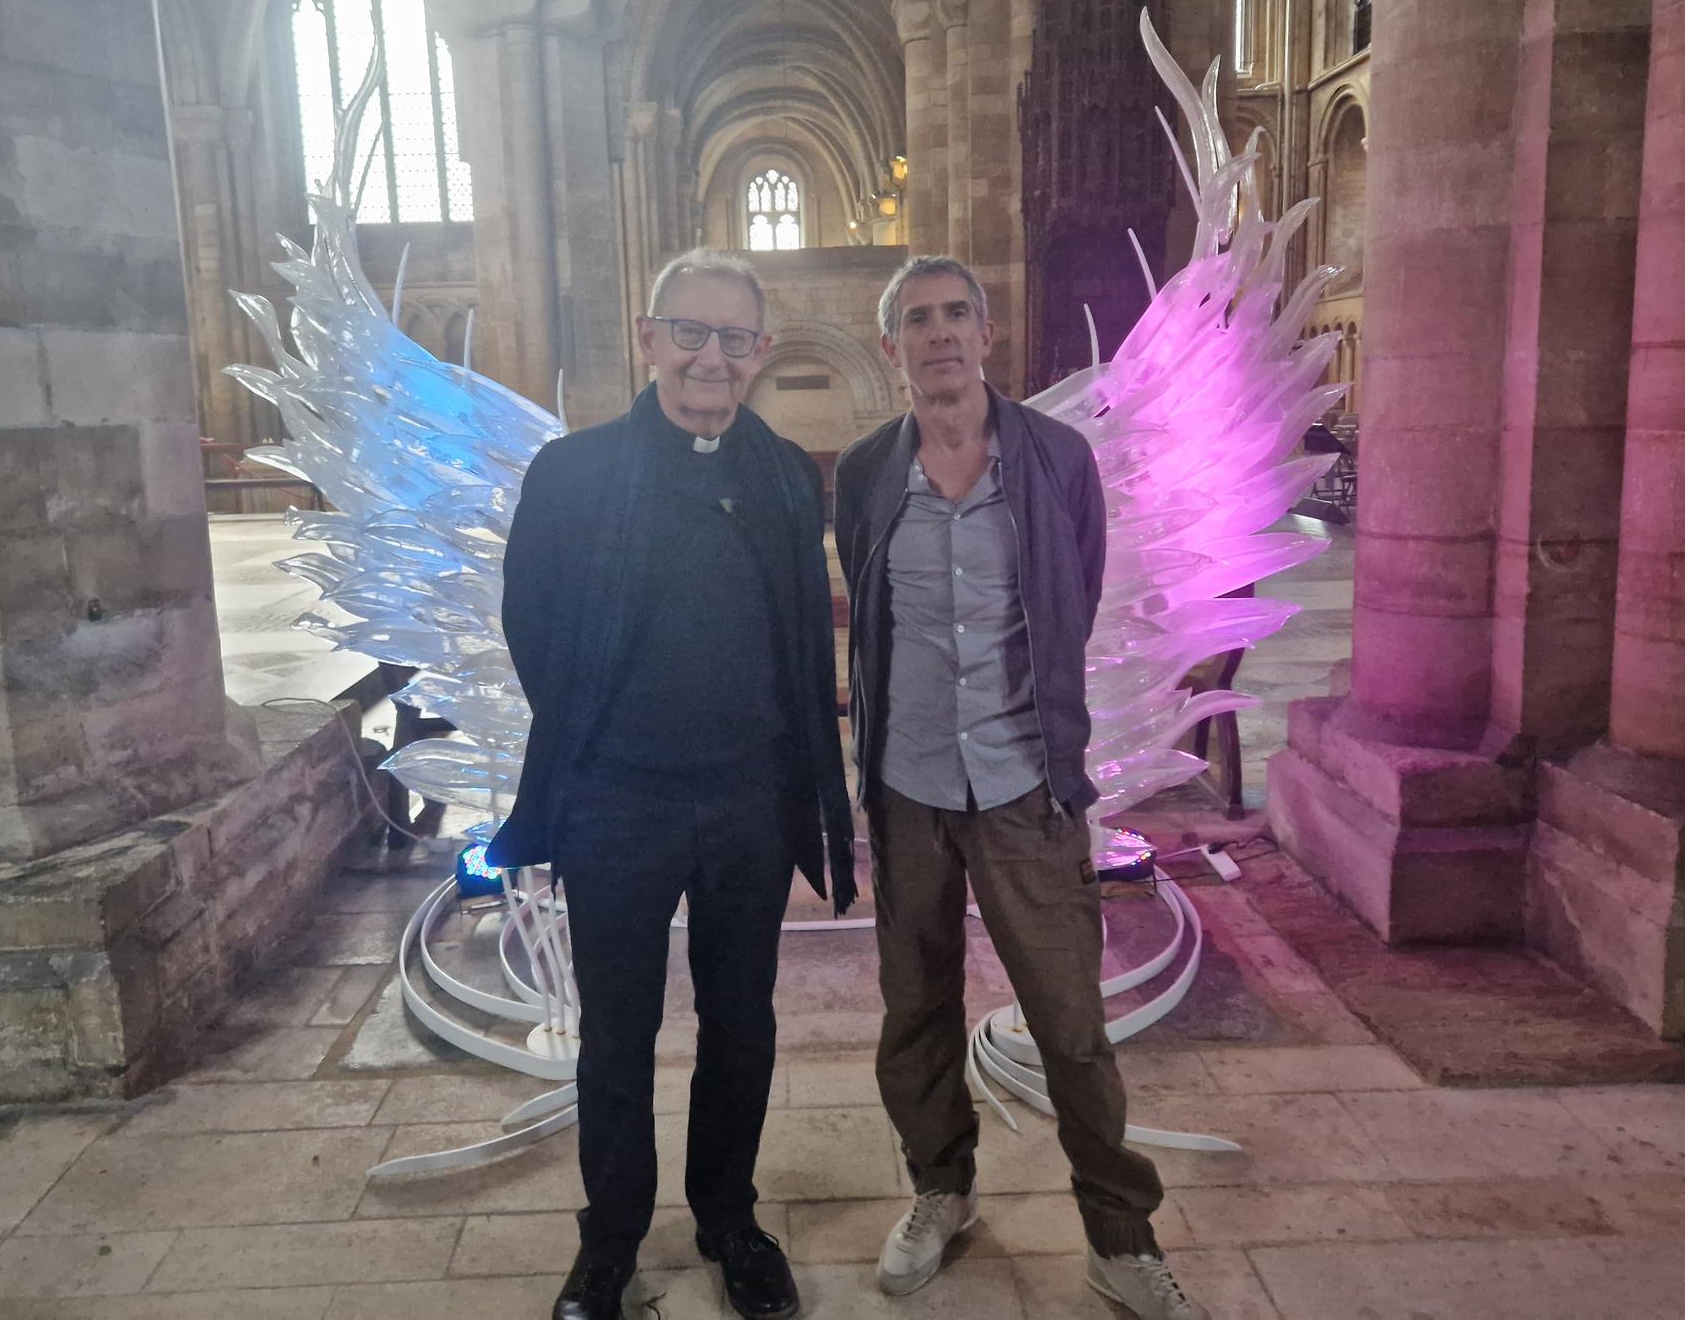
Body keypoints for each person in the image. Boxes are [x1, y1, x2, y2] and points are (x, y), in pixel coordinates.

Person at [832, 256, 1208, 1320]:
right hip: (906, 789)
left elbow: (1070, 597)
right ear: (891, 346)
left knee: (1069, 1023)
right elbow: (868, 618)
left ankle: (1117, 1238)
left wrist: (1053, 749)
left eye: (956, 314)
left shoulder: (1053, 460)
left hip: (1022, 789)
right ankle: (939, 1191)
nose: (938, 334)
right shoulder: (865, 474)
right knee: (914, 1012)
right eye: (915, 320)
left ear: (986, 335)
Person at [492, 248, 858, 1320]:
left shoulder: (789, 476)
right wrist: (599, 736)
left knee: (741, 1023)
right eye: (689, 333)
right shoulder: (572, 472)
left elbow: (802, 635)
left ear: (757, 354)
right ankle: (608, 1241)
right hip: (619, 799)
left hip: (748, 798)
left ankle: (728, 1221)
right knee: (616, 1032)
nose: (710, 356)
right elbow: (531, 623)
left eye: (732, 339)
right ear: (646, 338)